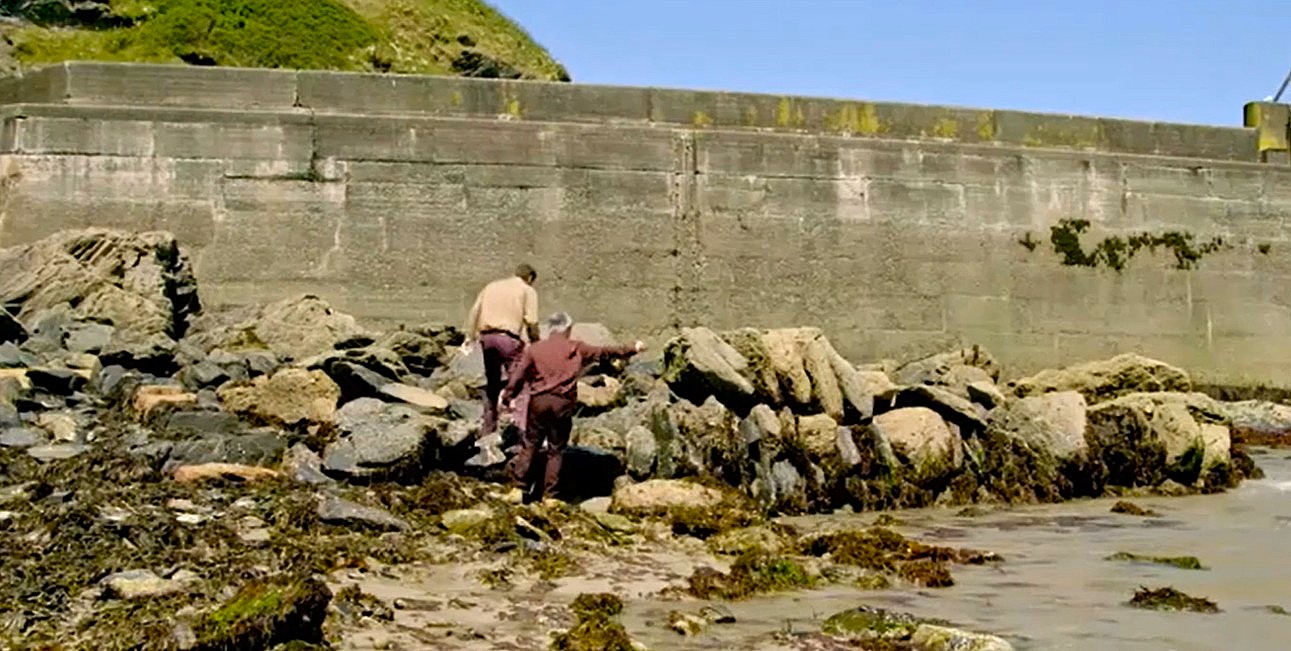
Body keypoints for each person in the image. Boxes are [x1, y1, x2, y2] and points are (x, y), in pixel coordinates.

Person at [501, 312, 644, 504]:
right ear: (568, 329)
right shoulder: (576, 347)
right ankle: (550, 496)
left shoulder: (534, 349)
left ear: (550, 328)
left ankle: (518, 489)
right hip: (562, 403)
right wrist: (632, 348)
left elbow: (518, 376)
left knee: (530, 444)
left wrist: (508, 396)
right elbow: (604, 351)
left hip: (539, 402)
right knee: (555, 450)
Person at [464, 263, 540, 437]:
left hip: (487, 338)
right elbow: (532, 321)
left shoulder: (491, 286)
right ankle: (522, 428)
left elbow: (474, 311)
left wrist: (470, 336)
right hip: (508, 339)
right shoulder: (527, 290)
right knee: (519, 383)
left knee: (493, 383)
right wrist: (536, 343)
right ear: (530, 278)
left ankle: (489, 426)